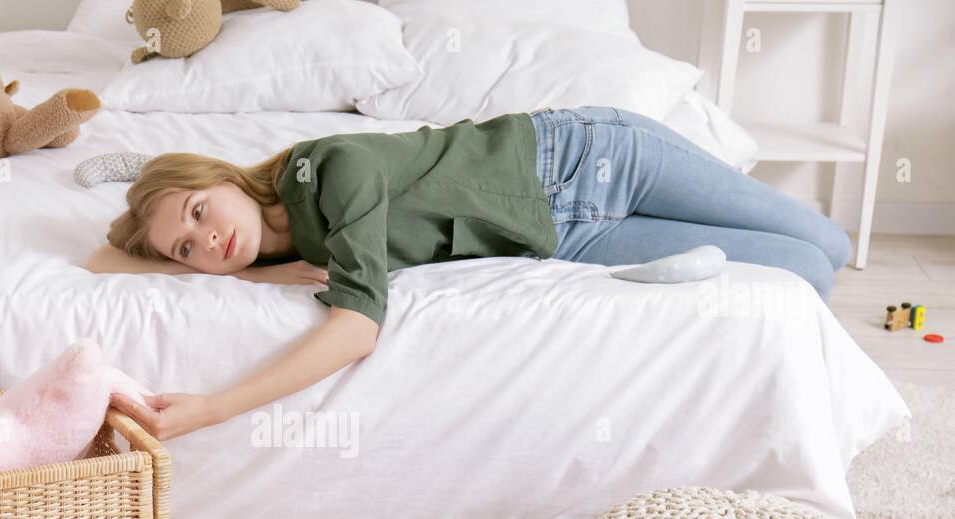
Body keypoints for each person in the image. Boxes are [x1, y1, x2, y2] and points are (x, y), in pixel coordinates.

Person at [88, 107, 852, 441]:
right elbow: (101, 260)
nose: (204, 240)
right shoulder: (279, 251)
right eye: (182, 250)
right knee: (806, 276)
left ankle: (697, 260)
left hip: (590, 157)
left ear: (221, 177)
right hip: (566, 237)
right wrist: (228, 274)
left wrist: (214, 409)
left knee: (831, 247)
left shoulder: (333, 170)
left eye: (195, 211)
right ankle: (689, 266)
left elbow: (356, 330)